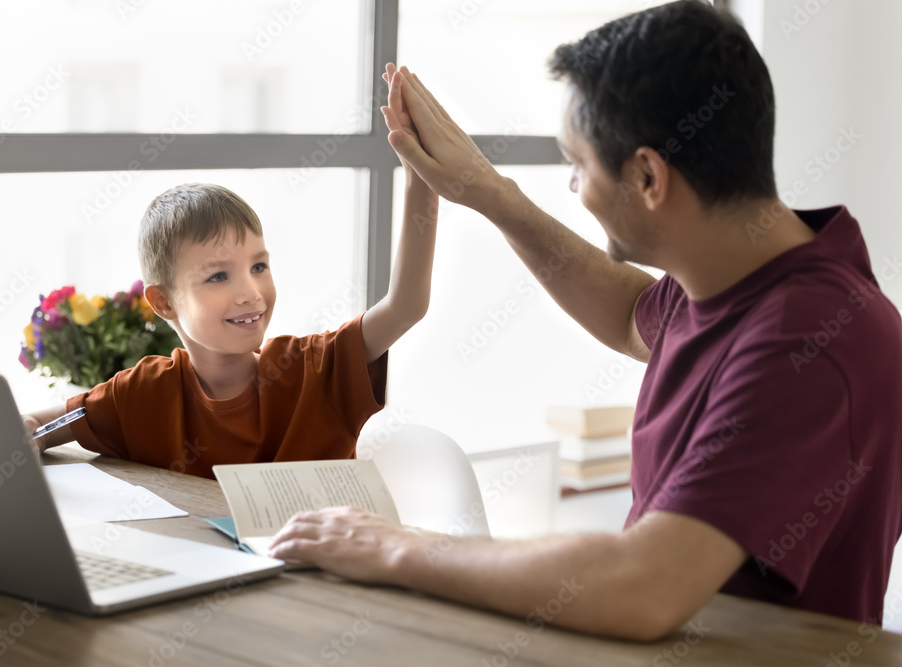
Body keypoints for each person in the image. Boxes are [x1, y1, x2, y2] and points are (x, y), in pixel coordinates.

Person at [268, 1, 902, 641]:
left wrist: (394, 548)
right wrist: (486, 190)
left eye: (579, 164)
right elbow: (632, 314)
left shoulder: (809, 344)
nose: (574, 187)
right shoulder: (737, 270)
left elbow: (643, 586)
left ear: (649, 174)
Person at [21, 80, 439, 478]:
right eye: (219, 276)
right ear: (164, 302)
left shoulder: (316, 370)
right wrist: (24, 431)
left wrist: (421, 177)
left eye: (259, 267)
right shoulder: (142, 394)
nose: (251, 293)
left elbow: (406, 306)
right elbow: (45, 426)